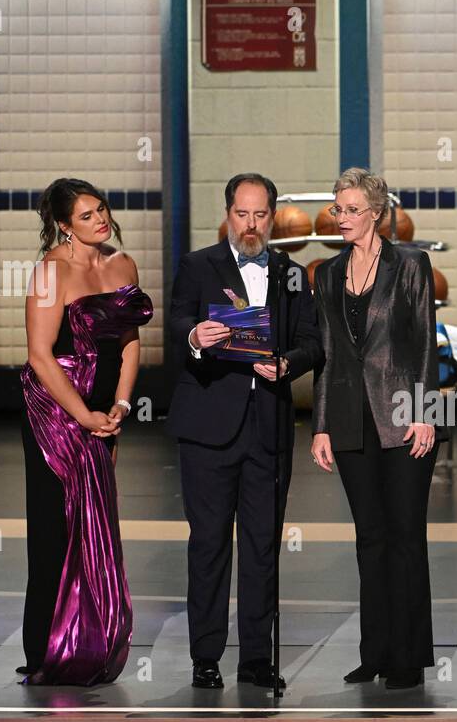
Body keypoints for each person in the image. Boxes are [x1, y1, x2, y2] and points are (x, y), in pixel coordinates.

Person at [168, 173, 321, 690]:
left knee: (262, 548)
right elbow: (175, 324)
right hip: (209, 428)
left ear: (273, 216)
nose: (250, 224)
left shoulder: (292, 274)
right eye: (242, 213)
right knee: (209, 545)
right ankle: (205, 657)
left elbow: (311, 341)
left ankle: (257, 659)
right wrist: (194, 336)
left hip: (269, 430)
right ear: (228, 213)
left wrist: (289, 363)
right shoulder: (196, 265)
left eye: (260, 215)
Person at [310, 168, 438, 690]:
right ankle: (375, 651)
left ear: (377, 213)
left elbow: (426, 344)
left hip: (406, 416)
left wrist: (426, 412)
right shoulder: (325, 273)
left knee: (406, 537)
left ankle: (407, 657)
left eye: (351, 209)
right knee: (370, 540)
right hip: (349, 421)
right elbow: (328, 354)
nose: (341, 218)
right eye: (337, 209)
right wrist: (320, 427)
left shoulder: (410, 264)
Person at [20, 178, 152, 685]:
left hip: (103, 412)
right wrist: (82, 415)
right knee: (57, 532)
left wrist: (119, 404)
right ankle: (44, 652)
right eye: (85, 215)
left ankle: (91, 643)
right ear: (62, 225)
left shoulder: (122, 264)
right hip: (56, 412)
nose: (100, 220)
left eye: (101, 210)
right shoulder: (51, 272)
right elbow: (39, 356)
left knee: (96, 528)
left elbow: (131, 342)